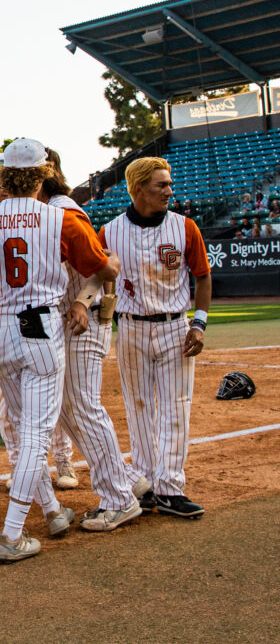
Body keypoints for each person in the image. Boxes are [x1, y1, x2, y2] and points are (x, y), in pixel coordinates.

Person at [0, 138, 119, 564]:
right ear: (43, 175)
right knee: (37, 435)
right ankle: (12, 534)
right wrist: (86, 295)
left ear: (2, 177)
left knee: (24, 432)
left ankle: (54, 512)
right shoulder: (60, 218)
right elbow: (105, 270)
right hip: (41, 329)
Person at [38, 152, 145, 532]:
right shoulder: (48, 211)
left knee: (81, 406)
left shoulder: (63, 212)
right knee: (69, 409)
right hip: (71, 320)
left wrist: (83, 303)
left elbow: (104, 267)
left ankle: (118, 497)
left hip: (84, 320)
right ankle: (128, 479)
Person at [102, 157, 210, 518]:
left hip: (175, 326)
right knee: (138, 407)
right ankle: (147, 484)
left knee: (176, 407)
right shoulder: (110, 231)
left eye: (169, 184)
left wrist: (200, 323)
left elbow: (203, 277)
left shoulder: (184, 227)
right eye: (161, 185)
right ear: (138, 188)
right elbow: (101, 281)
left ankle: (171, 488)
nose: (169, 191)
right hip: (130, 326)